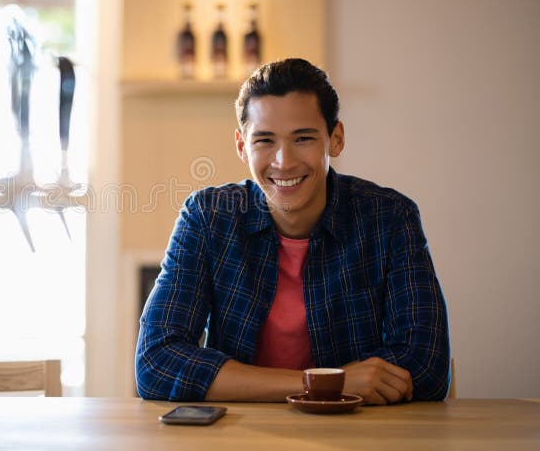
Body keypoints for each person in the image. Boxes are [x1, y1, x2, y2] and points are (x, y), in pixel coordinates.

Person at [135, 58, 450, 404]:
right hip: (241, 428)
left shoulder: (389, 218)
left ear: (336, 139)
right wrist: (327, 384)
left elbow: (426, 367)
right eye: (265, 141)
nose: (283, 161)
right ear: (242, 147)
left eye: (303, 138)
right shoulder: (207, 217)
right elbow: (155, 363)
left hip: (357, 428)